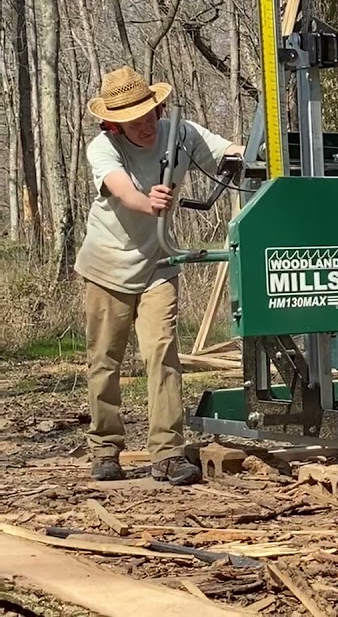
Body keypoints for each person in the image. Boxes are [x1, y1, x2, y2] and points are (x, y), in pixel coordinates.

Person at [76, 66, 244, 485]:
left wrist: (261, 153)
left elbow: (229, 151)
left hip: (159, 261)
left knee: (162, 351)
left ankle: (168, 453)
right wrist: (146, 200)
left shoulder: (179, 133)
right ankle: (105, 449)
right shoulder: (102, 147)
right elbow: (122, 189)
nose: (146, 127)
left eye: (150, 116)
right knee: (105, 360)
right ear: (116, 123)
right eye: (134, 122)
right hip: (106, 266)